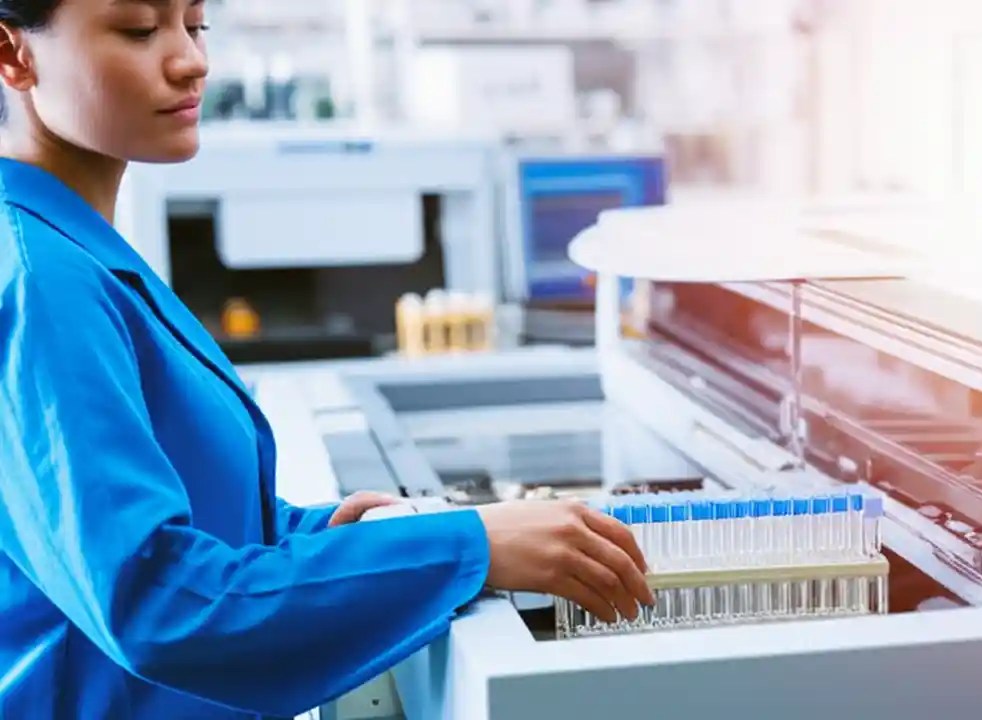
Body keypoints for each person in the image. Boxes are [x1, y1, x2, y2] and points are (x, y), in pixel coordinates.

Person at [0, 1, 654, 718]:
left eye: (195, 23)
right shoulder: (43, 280)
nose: (191, 60)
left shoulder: (74, 249)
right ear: (13, 54)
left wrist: (332, 539)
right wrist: (469, 546)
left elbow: (170, 518)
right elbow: (150, 602)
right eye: (138, 29)